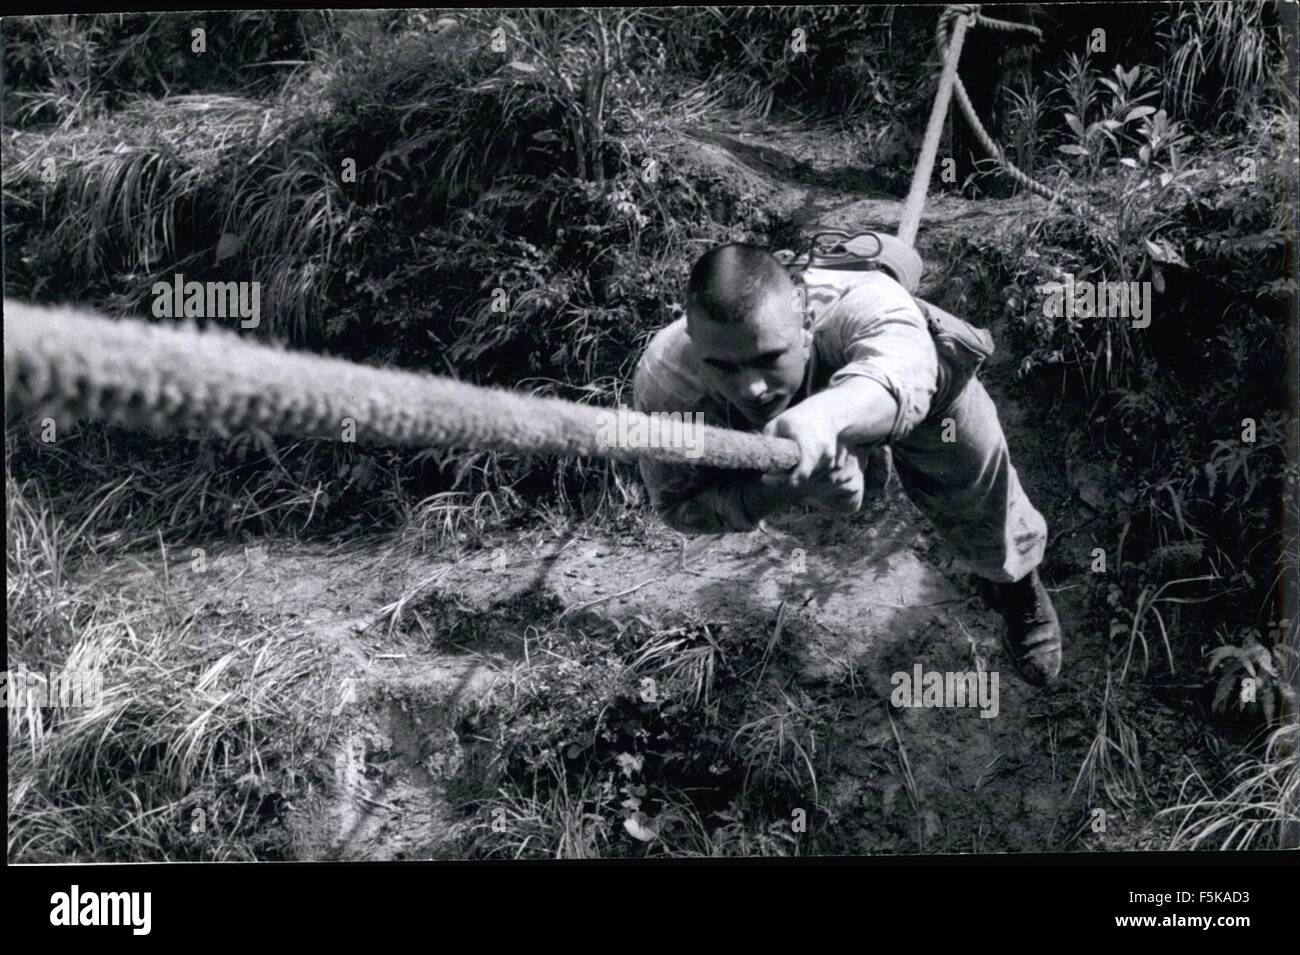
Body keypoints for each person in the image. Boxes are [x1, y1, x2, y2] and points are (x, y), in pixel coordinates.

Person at [632, 242, 1062, 686]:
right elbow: (680, 507)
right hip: (807, 424)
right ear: (695, 345)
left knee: (973, 482)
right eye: (723, 367)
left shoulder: (863, 300)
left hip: (909, 395)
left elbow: (904, 375)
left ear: (802, 320)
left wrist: (824, 418)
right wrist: (787, 487)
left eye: (769, 359)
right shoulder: (669, 385)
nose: (753, 388)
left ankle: (1014, 582)